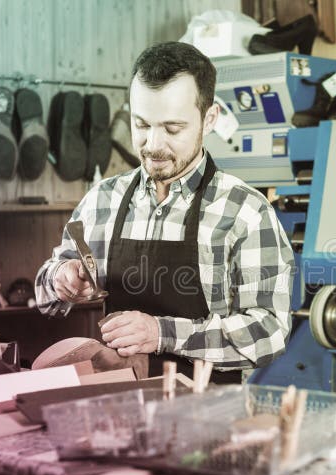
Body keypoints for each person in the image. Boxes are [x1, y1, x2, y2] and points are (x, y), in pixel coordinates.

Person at [35, 42, 295, 383]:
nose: (154, 144)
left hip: (206, 417)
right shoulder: (102, 200)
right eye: (142, 125)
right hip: (118, 407)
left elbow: (268, 332)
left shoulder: (245, 211)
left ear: (209, 118)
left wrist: (161, 334)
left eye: (172, 129)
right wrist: (60, 279)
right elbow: (45, 297)